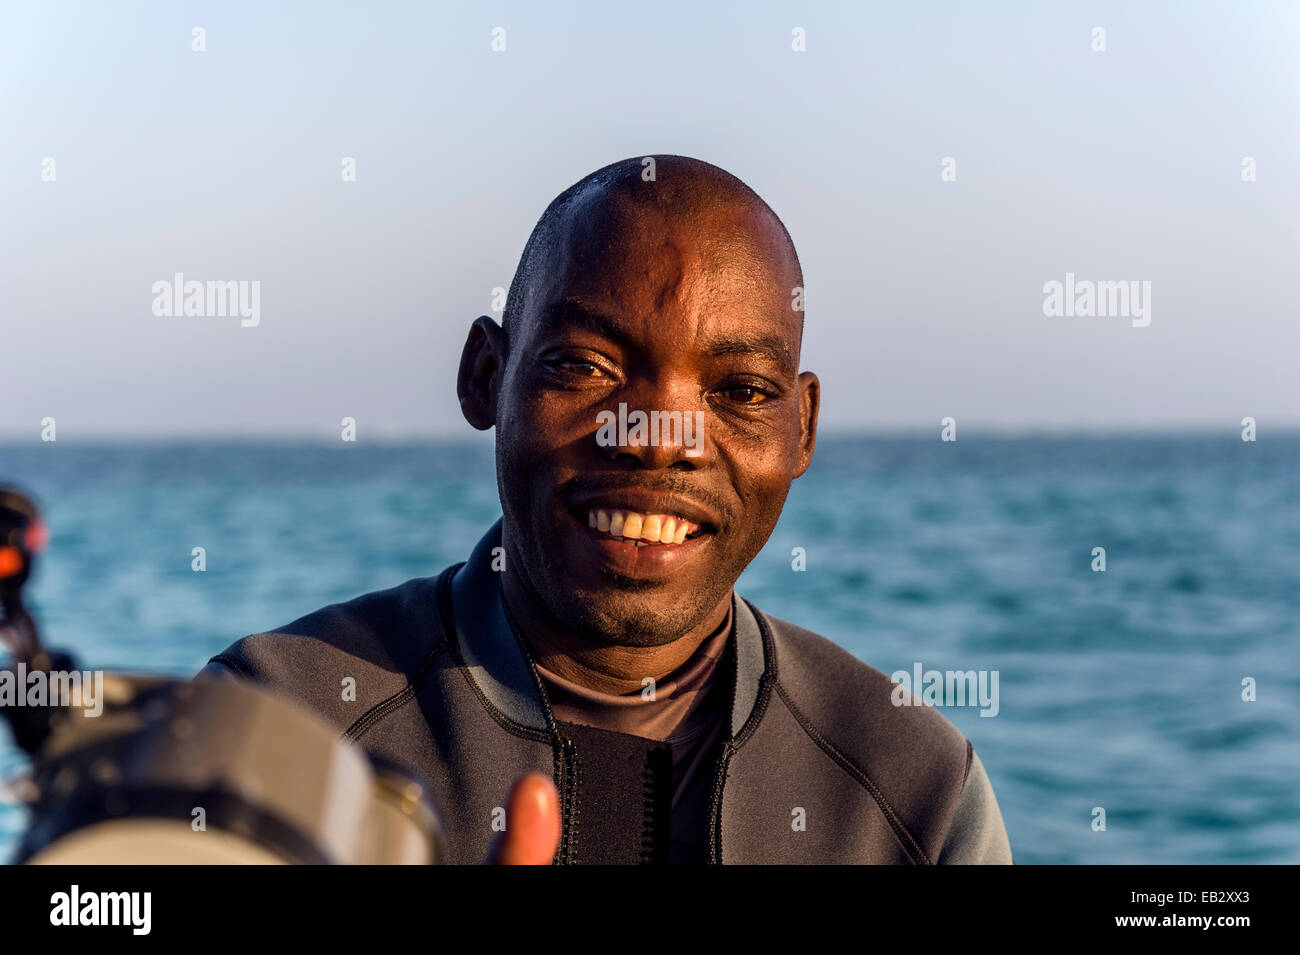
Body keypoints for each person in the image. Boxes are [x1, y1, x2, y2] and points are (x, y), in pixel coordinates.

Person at [201, 155, 1013, 865]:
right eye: (586, 366)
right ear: (487, 375)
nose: (659, 438)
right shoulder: (272, 725)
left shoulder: (914, 793)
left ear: (801, 429)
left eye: (740, 391)